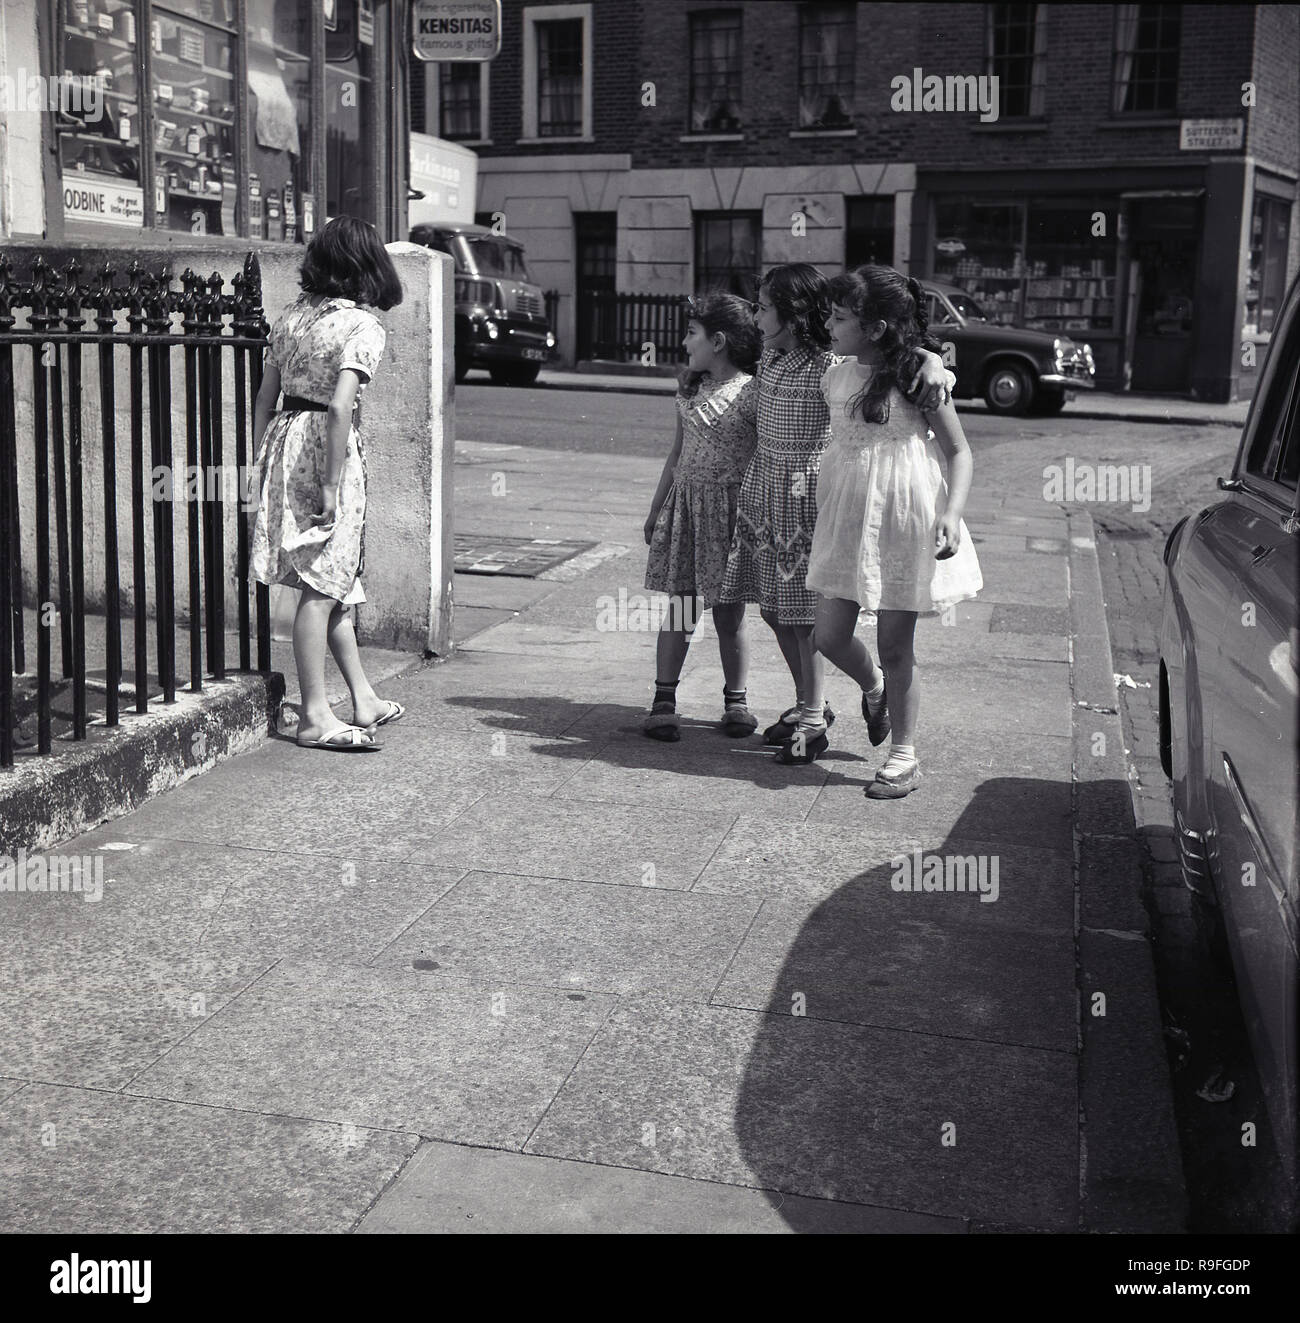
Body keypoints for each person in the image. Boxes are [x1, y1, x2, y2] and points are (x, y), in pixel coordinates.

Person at [720, 262, 954, 765]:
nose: (757, 315)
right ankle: (835, 701)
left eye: (765, 307)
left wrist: (932, 359)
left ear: (796, 314)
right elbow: (725, 351)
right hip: (789, 498)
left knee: (820, 624)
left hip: (830, 504)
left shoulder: (831, 360)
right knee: (783, 613)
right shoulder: (780, 360)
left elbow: (892, 353)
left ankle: (829, 722)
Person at [807, 264, 983, 798]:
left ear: (876, 327)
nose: (830, 325)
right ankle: (874, 688)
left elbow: (959, 452)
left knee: (895, 642)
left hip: (906, 522)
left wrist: (951, 513)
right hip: (844, 519)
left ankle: (903, 754)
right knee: (828, 636)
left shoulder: (919, 378)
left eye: (841, 318)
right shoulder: (835, 375)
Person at [247, 216, 405, 751]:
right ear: (367, 265)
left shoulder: (289, 318)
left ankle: (363, 698)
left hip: (282, 442)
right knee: (321, 585)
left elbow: (264, 399)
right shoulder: (363, 326)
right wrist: (333, 484)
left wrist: (262, 460)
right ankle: (315, 716)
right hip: (325, 450)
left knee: (336, 582)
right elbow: (340, 406)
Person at [642, 294, 762, 740]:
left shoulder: (754, 391)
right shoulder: (688, 387)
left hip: (730, 514)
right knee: (681, 607)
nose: (683, 341)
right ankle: (663, 700)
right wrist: (657, 508)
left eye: (692, 333)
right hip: (687, 509)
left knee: (730, 614)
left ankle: (737, 701)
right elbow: (676, 452)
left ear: (719, 341)